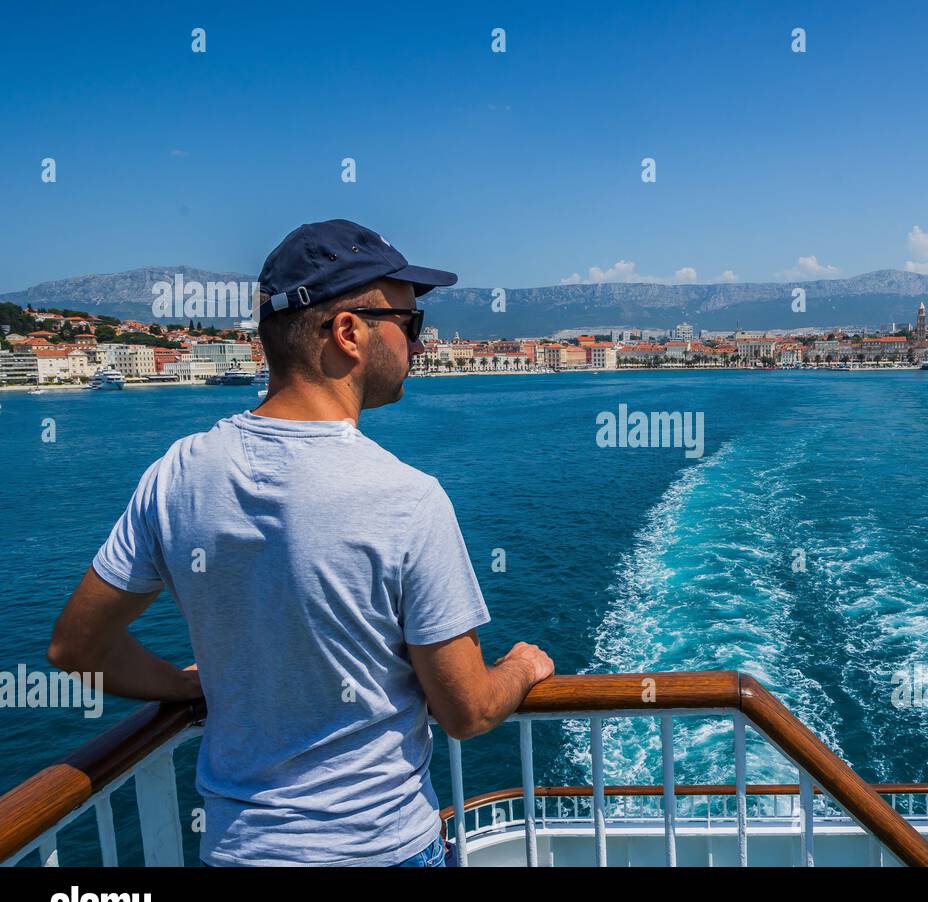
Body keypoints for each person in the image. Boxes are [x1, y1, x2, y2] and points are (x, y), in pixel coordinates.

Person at [47, 219, 553, 866]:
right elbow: (466, 711)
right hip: (382, 850)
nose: (419, 345)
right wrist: (523, 668)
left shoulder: (177, 473)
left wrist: (183, 687)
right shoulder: (407, 497)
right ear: (348, 332)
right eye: (411, 322)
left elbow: (75, 647)